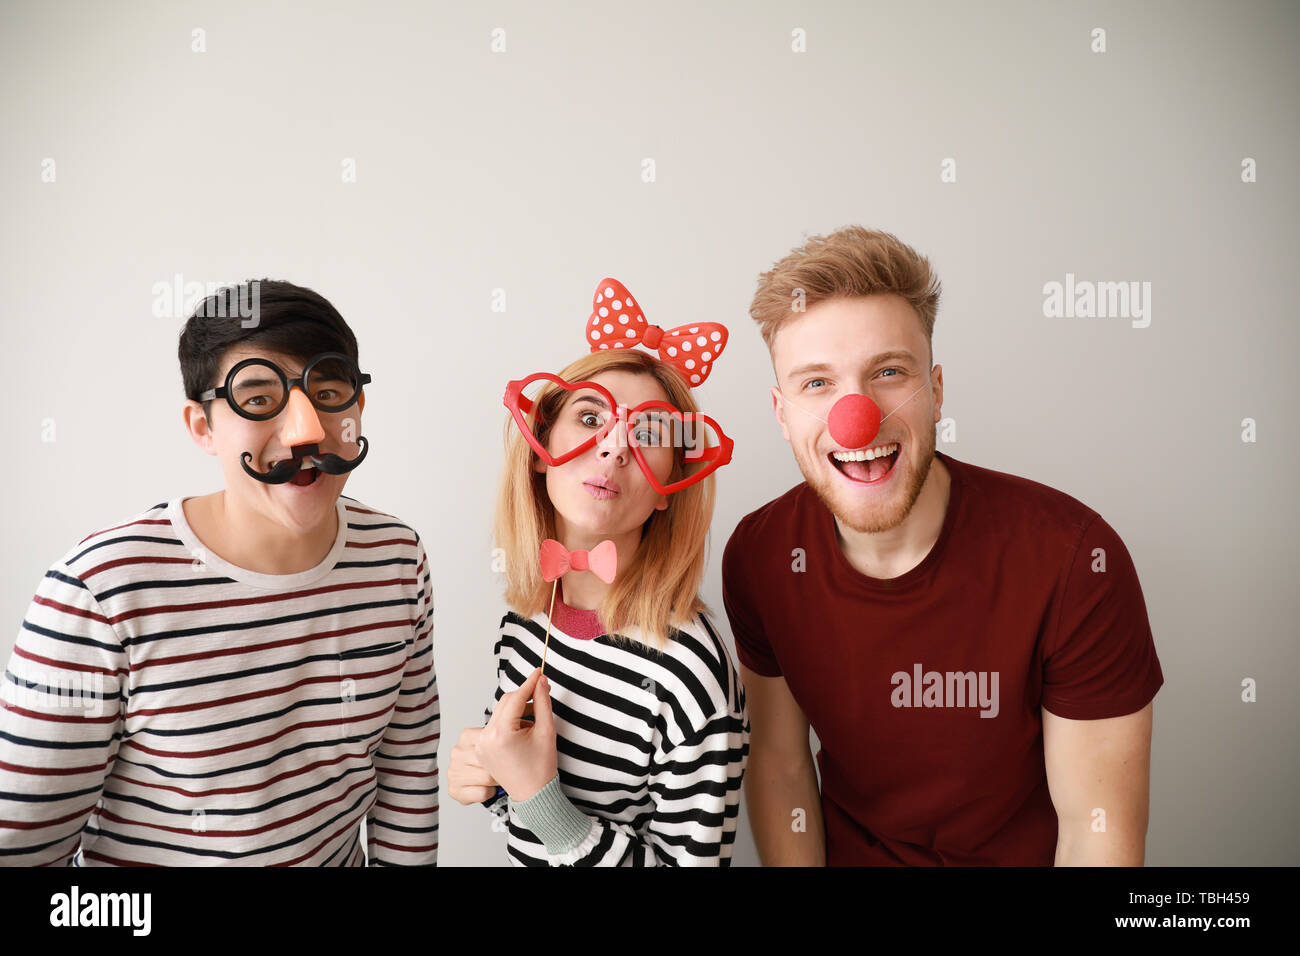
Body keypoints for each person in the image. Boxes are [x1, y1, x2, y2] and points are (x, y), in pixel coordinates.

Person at [724, 227, 1164, 866]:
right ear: (781, 411)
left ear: (935, 391)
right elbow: (781, 764)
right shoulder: (761, 557)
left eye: (888, 372)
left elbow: (1097, 831)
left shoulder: (1075, 562)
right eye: (816, 383)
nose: (859, 415)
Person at [0, 280, 439, 866]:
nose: (307, 431)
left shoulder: (398, 558)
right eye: (259, 399)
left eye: (330, 391)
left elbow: (406, 761)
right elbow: (23, 846)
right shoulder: (100, 588)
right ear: (203, 427)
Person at [447, 278, 748, 866]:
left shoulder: (693, 673)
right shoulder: (528, 614)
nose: (613, 447)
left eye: (648, 434)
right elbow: (521, 786)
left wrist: (540, 803)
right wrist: (486, 773)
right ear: (540, 449)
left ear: (671, 488)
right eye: (590, 417)